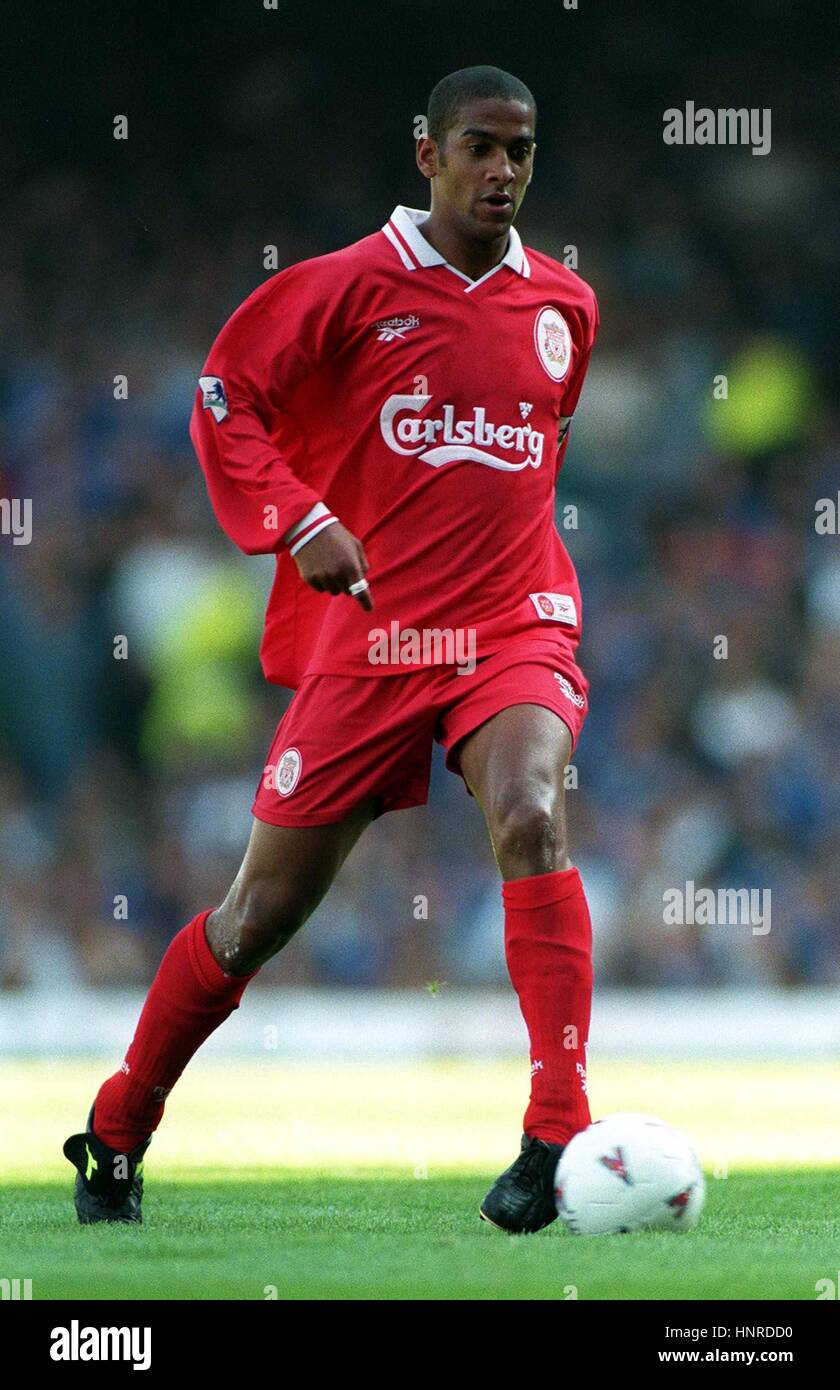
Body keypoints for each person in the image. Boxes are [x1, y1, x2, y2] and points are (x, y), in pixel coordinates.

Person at [64, 64, 599, 1234]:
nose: (502, 170)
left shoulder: (566, 306)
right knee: (256, 917)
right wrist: (300, 519)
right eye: (479, 147)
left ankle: (557, 1124)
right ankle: (118, 1122)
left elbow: (533, 461)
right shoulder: (344, 288)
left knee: (531, 813)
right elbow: (223, 395)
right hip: (370, 641)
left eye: (521, 151)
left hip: (510, 624)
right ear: (428, 154)